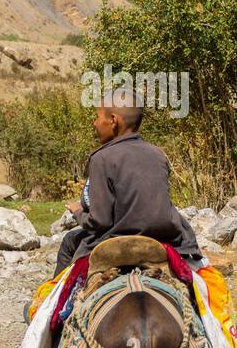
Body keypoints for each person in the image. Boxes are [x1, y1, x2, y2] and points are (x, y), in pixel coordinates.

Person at [53, 96, 204, 277]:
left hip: (118, 240)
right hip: (164, 237)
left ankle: (53, 302)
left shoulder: (102, 158)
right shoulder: (157, 154)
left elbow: (100, 222)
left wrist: (78, 212)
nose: (95, 123)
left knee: (70, 240)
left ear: (114, 120)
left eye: (98, 117)